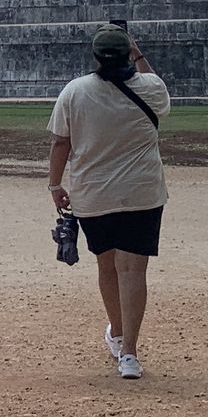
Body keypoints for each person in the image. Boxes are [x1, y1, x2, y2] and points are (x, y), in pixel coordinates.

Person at [47, 24, 170, 381]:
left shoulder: (75, 91)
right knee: (133, 271)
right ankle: (129, 353)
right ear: (129, 53)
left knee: (107, 267)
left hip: (94, 194)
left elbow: (60, 143)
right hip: (141, 193)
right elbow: (156, 87)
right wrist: (138, 52)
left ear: (96, 56)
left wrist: (55, 184)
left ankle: (117, 332)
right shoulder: (151, 87)